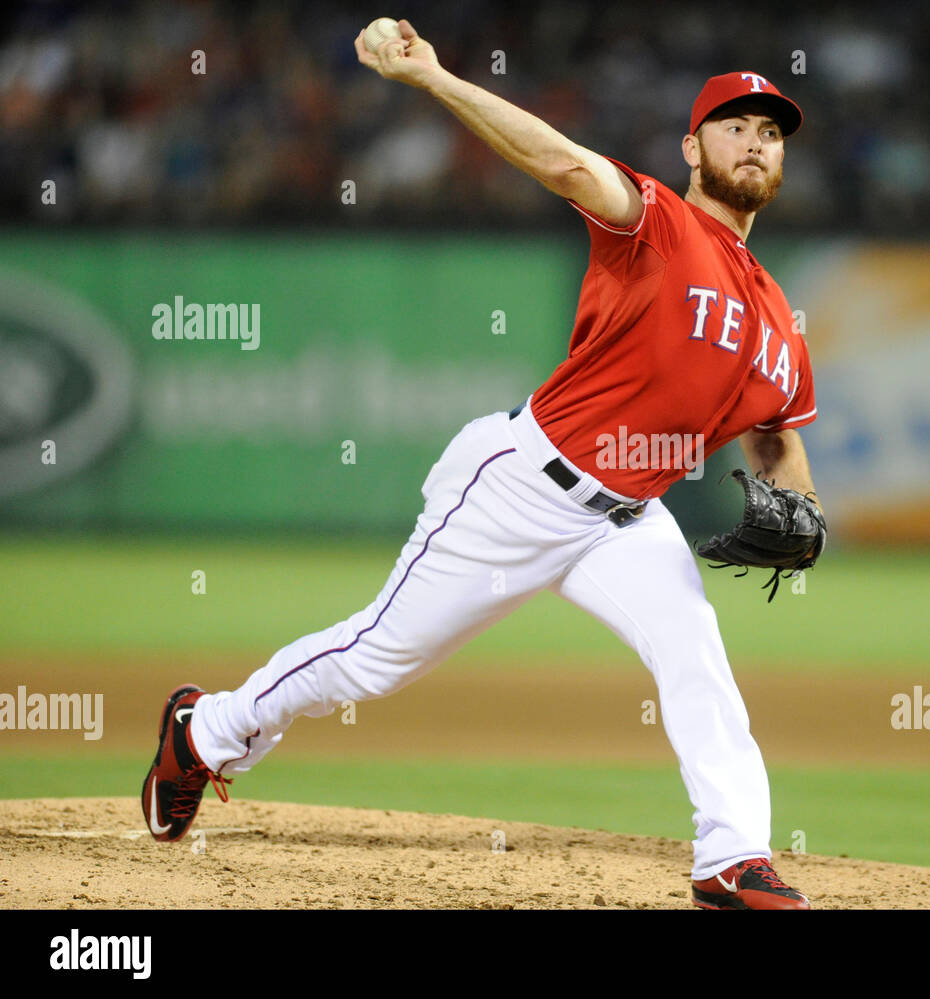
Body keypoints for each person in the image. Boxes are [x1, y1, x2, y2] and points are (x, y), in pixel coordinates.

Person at [142, 19, 822, 911]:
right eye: (736, 124)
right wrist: (434, 78)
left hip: (628, 519)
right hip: (519, 487)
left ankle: (732, 859)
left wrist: (803, 511)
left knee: (696, 656)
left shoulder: (777, 317)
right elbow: (569, 166)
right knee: (374, 659)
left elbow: (774, 432)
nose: (756, 141)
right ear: (692, 147)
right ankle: (205, 730)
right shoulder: (656, 221)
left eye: (770, 132)